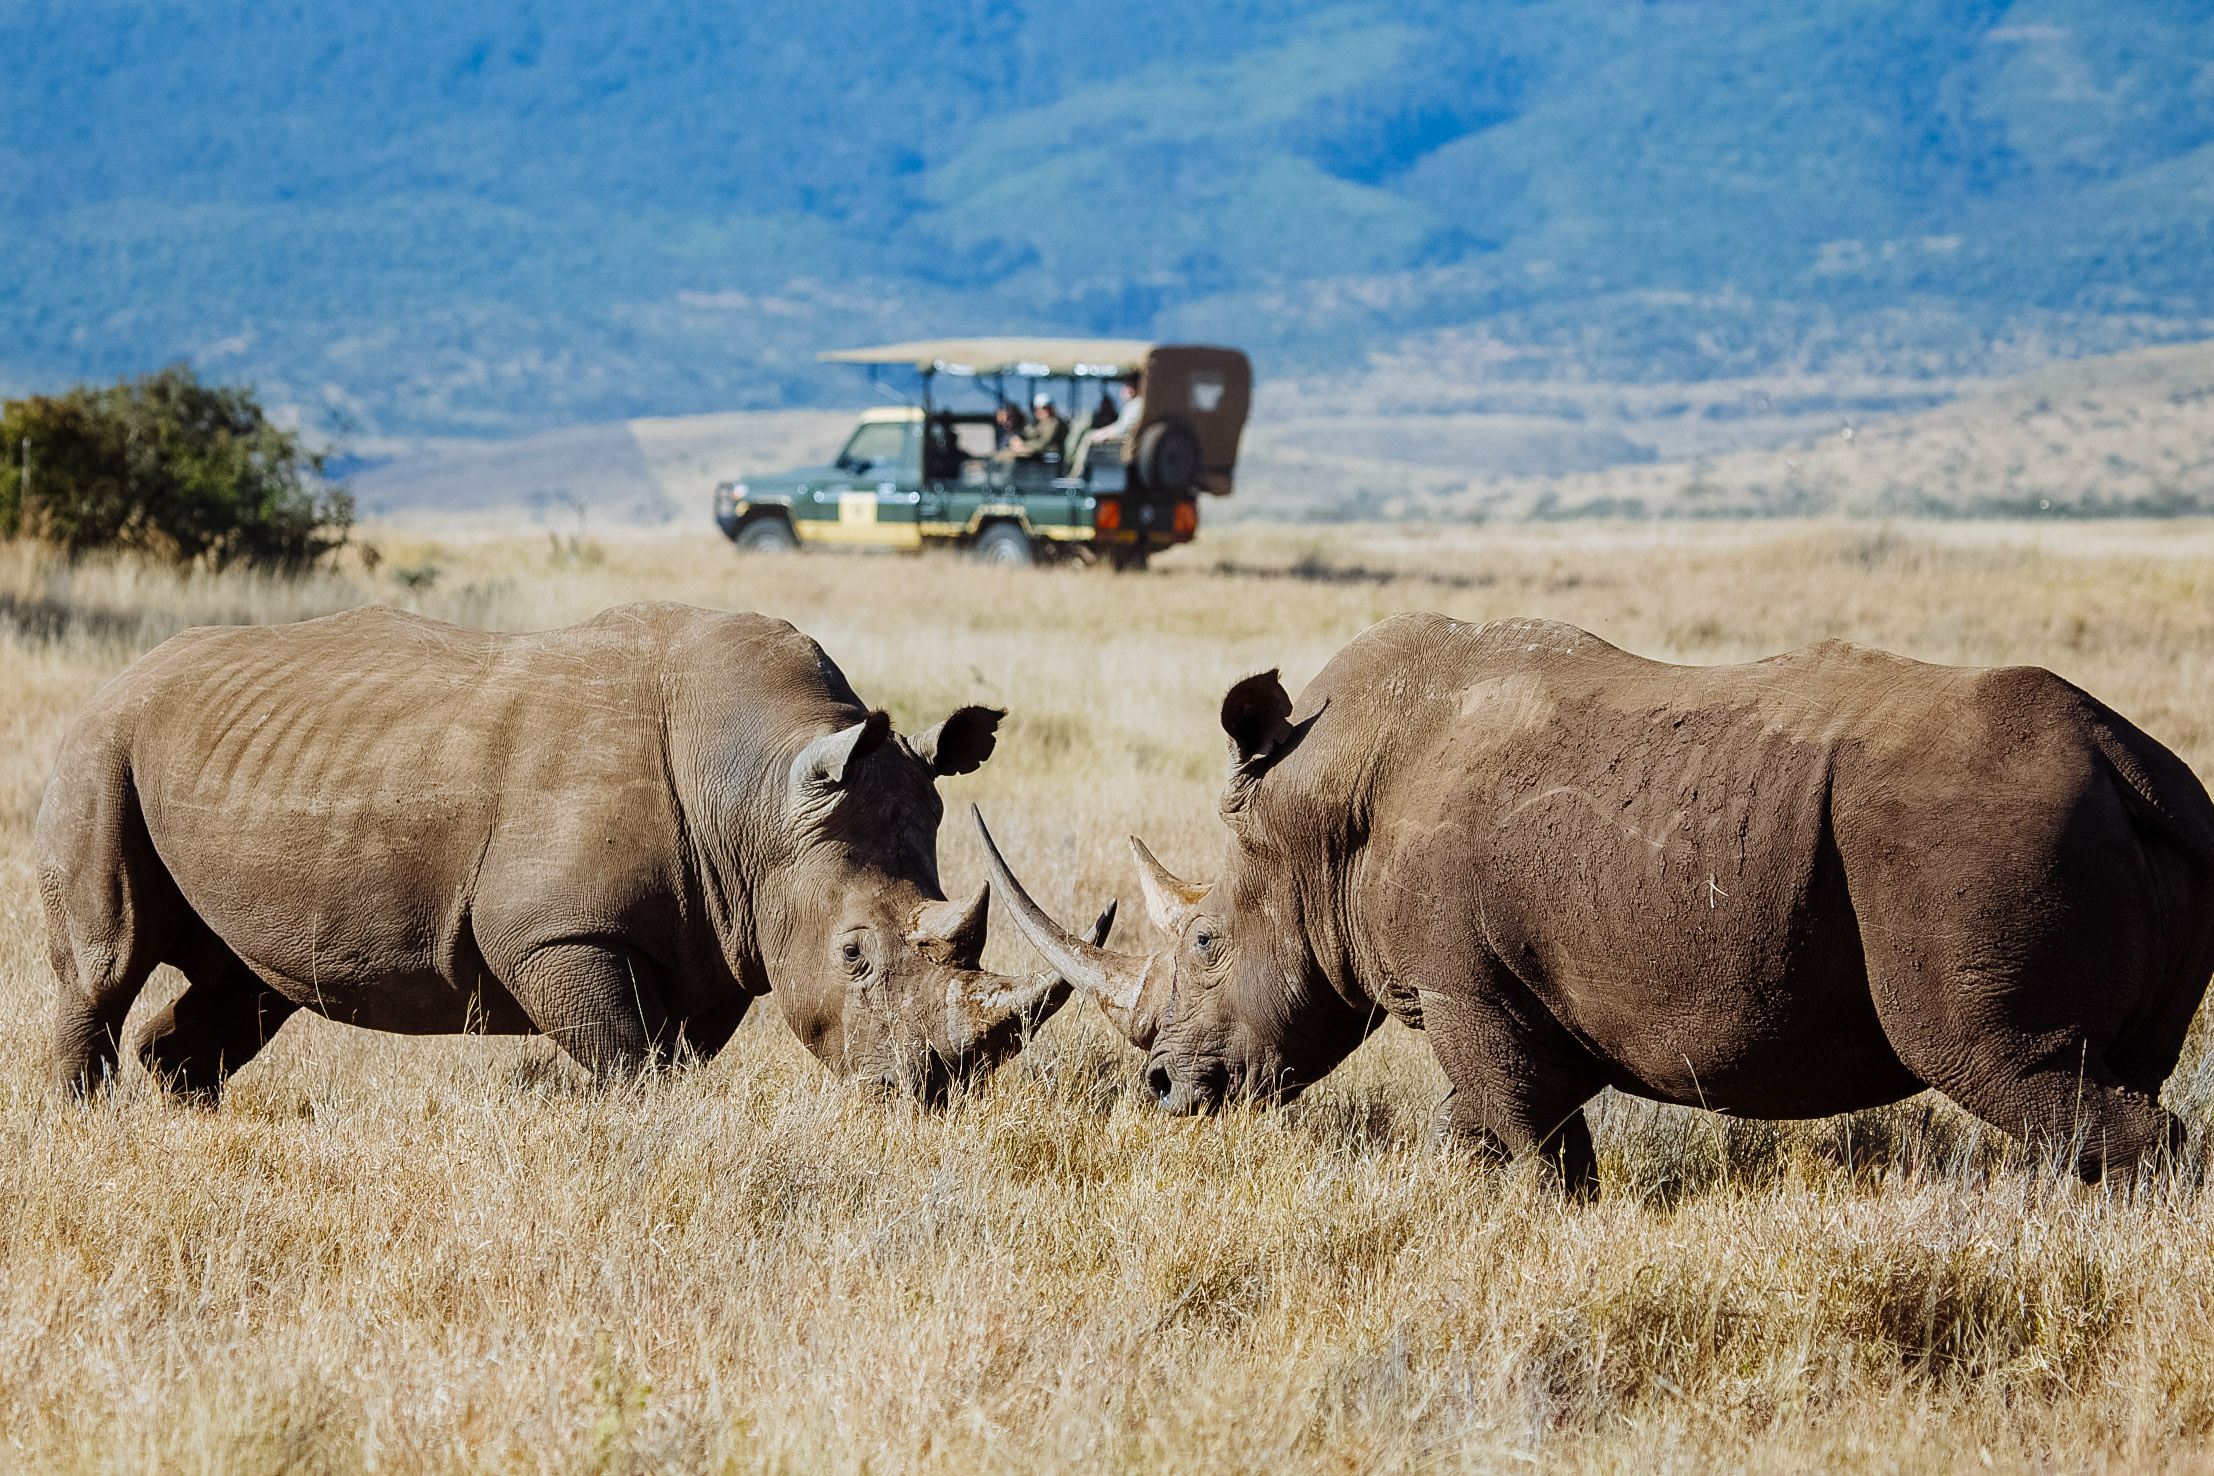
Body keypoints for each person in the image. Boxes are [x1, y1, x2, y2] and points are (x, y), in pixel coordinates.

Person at [996, 391, 1066, 462]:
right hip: (1038, 451)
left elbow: (1043, 443)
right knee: (1002, 453)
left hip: (1046, 453)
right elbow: (1032, 434)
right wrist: (1018, 439)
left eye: (1041, 409)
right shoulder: (1042, 423)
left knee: (1007, 456)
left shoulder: (1053, 423)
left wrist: (1023, 445)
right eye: (1036, 409)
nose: (1038, 412)